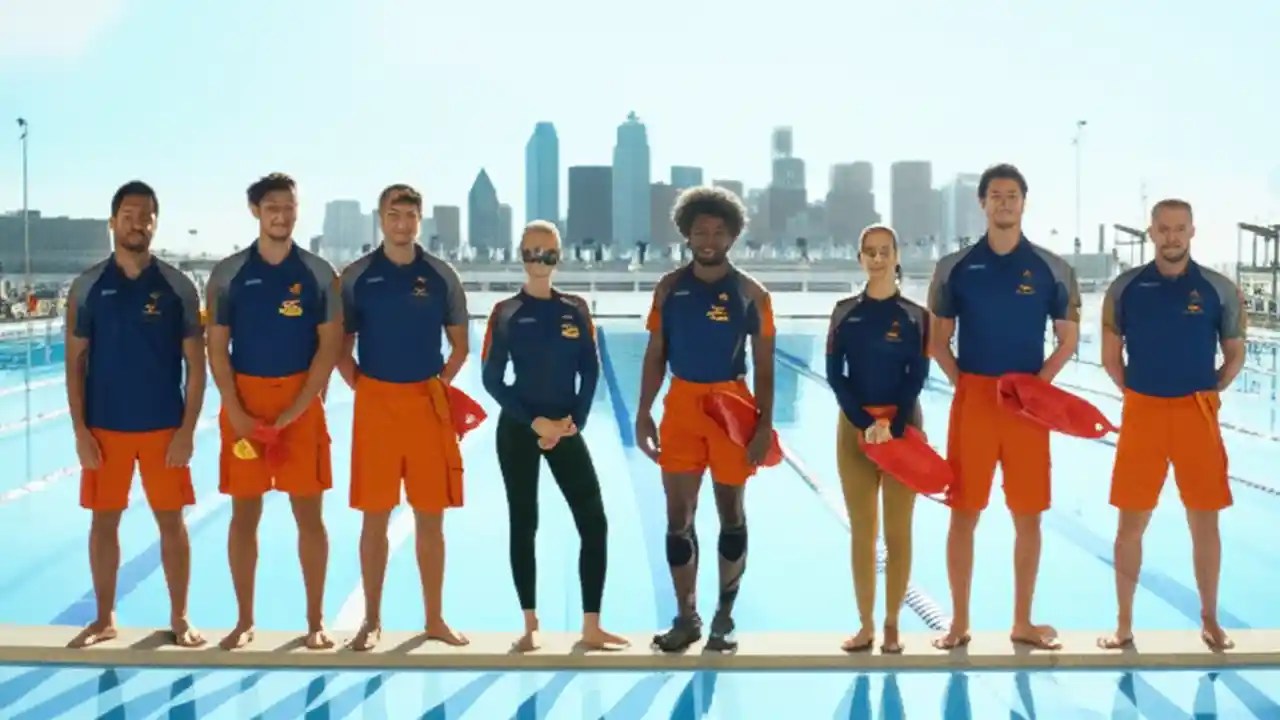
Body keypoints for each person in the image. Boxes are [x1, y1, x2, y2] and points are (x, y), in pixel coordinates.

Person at [927, 163, 1081, 651]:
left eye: (1012, 195)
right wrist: (966, 385)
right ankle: (958, 623)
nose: (1004, 203)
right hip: (974, 400)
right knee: (964, 513)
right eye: (995, 195)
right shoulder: (953, 267)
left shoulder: (1052, 268)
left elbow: (1067, 339)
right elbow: (937, 341)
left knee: (1028, 515)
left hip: (1026, 408)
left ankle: (1022, 622)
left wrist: (1036, 388)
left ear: (1023, 202)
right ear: (982, 203)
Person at [64, 181, 206, 649]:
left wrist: (187, 430)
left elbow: (197, 365)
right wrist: (81, 432)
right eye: (128, 214)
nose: (137, 222)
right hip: (105, 428)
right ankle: (104, 618)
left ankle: (180, 617)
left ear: (155, 223)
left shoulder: (177, 286)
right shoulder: (87, 287)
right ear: (113, 221)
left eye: (145, 215)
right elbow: (75, 363)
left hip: (164, 427)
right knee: (104, 523)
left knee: (172, 522)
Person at [1097, 199, 1244, 651]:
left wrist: (1211, 388)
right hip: (1143, 412)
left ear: (1192, 232)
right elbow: (1109, 357)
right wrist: (1139, 396)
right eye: (1164, 229)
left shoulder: (1219, 289)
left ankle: (1210, 619)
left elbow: (1235, 352)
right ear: (1152, 232)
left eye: (1180, 228)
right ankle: (1123, 625)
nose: (1172, 236)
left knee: (1204, 522)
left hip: (1196, 414)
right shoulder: (1124, 289)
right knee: (1130, 525)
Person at [636, 186, 776, 652]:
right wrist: (642, 413)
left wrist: (762, 426)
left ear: (733, 235)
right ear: (687, 234)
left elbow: (768, 367)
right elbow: (655, 354)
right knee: (679, 518)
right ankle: (686, 616)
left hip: (730, 407)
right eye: (701, 231)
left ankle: (724, 617)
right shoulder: (669, 288)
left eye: (718, 231)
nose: (709, 238)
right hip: (680, 408)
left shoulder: (752, 294)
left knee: (731, 513)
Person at [206, 173, 341, 651]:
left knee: (310, 516)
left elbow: (328, 350)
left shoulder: (319, 273)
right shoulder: (228, 274)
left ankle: (315, 621)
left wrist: (301, 407)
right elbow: (216, 348)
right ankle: (244, 620)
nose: (281, 215)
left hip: (301, 403)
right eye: (271, 207)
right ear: (255, 212)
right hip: (245, 401)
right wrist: (234, 408)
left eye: (288, 206)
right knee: (244, 515)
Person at [481, 220, 629, 653]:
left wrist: (573, 423)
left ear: (558, 256)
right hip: (519, 428)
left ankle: (591, 625)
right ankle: (529, 624)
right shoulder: (506, 312)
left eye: (547, 253)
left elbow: (591, 369)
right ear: (521, 256)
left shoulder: (576, 309)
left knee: (594, 522)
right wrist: (535, 423)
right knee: (524, 522)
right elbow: (492, 380)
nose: (539, 260)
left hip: (564, 427)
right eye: (531, 253)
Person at [337, 184, 470, 651]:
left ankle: (434, 618)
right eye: (394, 214)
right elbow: (340, 344)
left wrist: (439, 386)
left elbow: (460, 345)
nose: (402, 222)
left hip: (426, 403)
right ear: (381, 218)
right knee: (375, 516)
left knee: (430, 516)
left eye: (410, 214)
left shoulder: (440, 275)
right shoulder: (356, 276)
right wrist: (362, 386)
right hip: (375, 403)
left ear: (420, 220)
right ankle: (371, 620)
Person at [826, 225, 931, 654]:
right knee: (863, 532)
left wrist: (895, 423)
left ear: (896, 254)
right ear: (860, 258)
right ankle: (865, 624)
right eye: (869, 252)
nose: (877, 258)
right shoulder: (843, 312)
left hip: (902, 426)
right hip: (854, 428)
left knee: (899, 530)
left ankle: (891, 625)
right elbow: (835, 374)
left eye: (884, 251)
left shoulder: (915, 316)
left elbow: (918, 376)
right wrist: (860, 421)